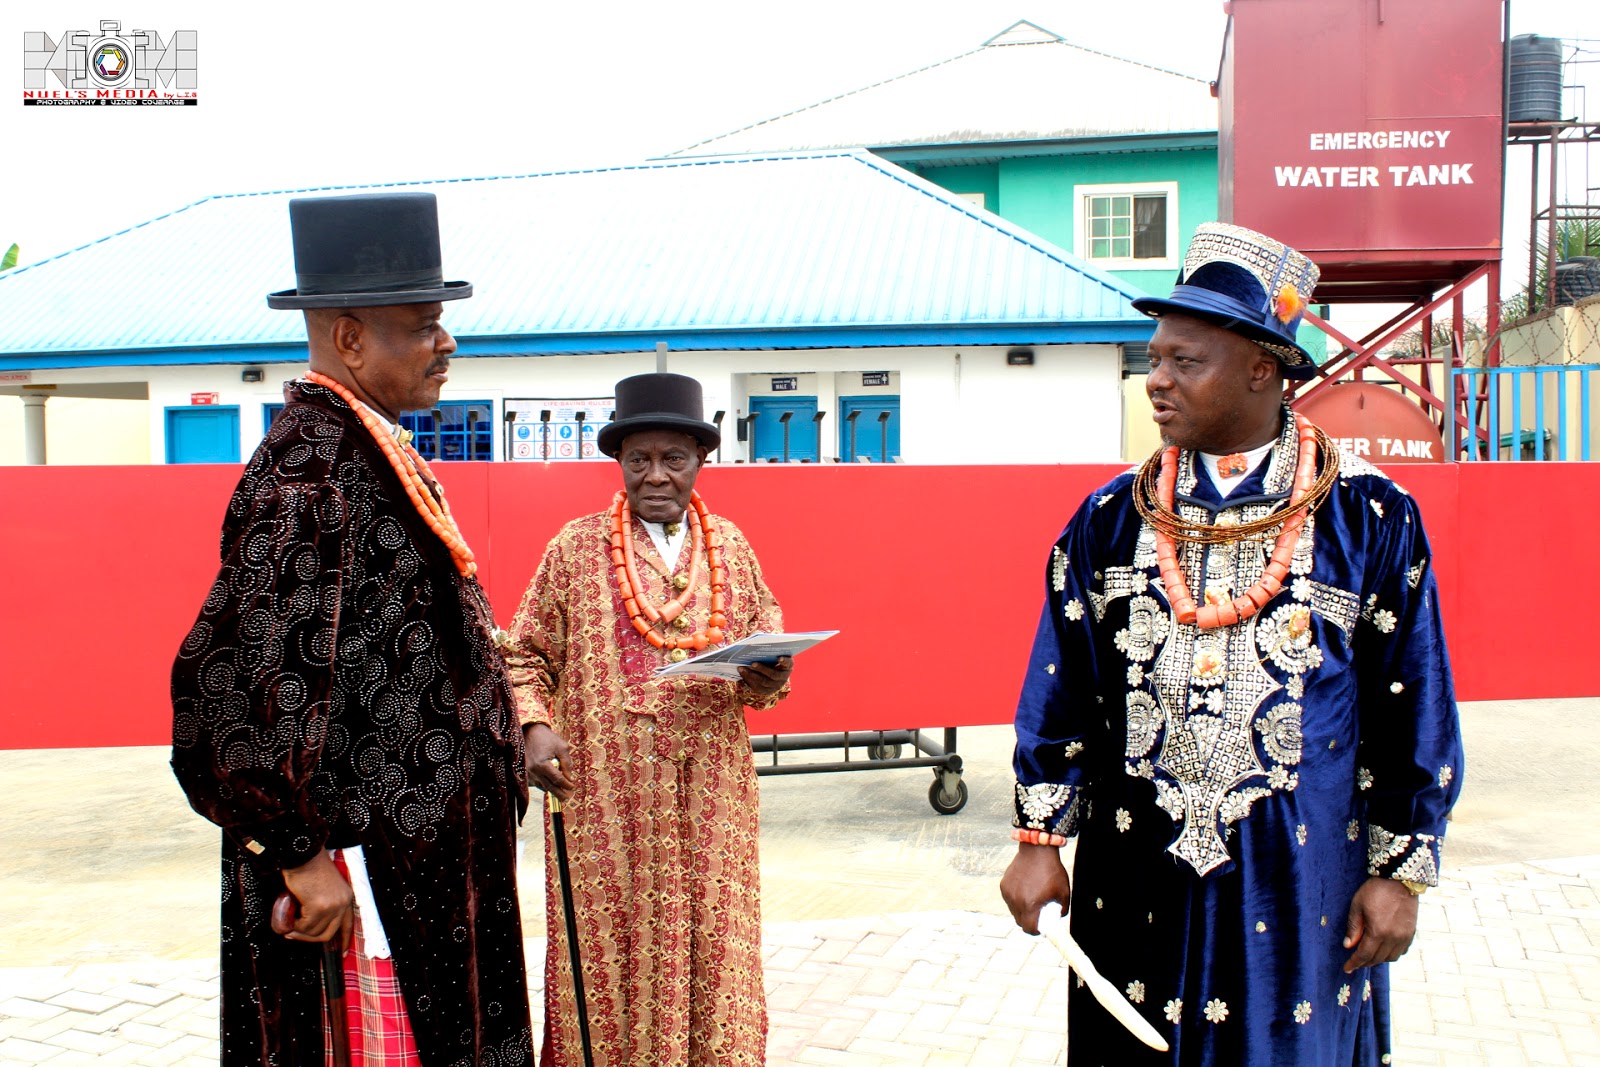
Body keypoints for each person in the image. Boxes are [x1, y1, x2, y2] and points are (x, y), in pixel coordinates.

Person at [999, 222, 1464, 1066]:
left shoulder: (1370, 516)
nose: (1157, 382)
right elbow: (1064, 686)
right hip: (1133, 881)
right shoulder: (1108, 521)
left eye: (1184, 360)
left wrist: (1401, 871)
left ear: (1264, 368)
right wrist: (1040, 841)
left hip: (1301, 888)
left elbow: (1413, 699)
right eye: (1154, 359)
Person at [170, 191, 533, 1066]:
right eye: (423, 324)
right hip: (364, 888)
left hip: (427, 873)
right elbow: (234, 690)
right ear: (349, 339)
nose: (446, 342)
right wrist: (296, 855)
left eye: (442, 322)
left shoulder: (365, 446)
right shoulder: (308, 476)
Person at [504, 372, 794, 1067]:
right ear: (619, 462)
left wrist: (771, 673)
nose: (656, 475)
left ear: (701, 460)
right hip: (606, 807)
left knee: (712, 950)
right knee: (604, 960)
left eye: (674, 458)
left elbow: (768, 654)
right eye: (640, 459)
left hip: (709, 805)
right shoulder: (573, 550)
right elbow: (520, 655)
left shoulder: (731, 547)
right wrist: (535, 727)